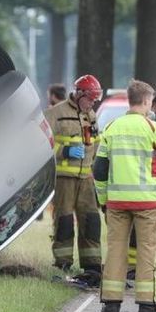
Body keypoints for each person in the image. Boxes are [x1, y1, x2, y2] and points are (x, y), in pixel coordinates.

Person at [94, 80, 156, 312]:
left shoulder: (112, 127)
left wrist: (103, 200)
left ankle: (111, 305)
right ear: (146, 101)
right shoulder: (152, 127)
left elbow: (99, 169)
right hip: (146, 202)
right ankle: (147, 306)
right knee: (147, 251)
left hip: (116, 202)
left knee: (116, 250)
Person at [43, 75, 104, 281]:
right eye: (90, 99)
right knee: (64, 221)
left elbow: (96, 142)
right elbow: (42, 144)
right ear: (79, 94)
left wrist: (93, 164)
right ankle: (63, 264)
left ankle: (92, 266)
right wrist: (65, 151)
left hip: (86, 178)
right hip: (64, 179)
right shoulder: (55, 113)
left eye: (95, 100)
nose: (92, 104)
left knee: (91, 221)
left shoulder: (91, 115)